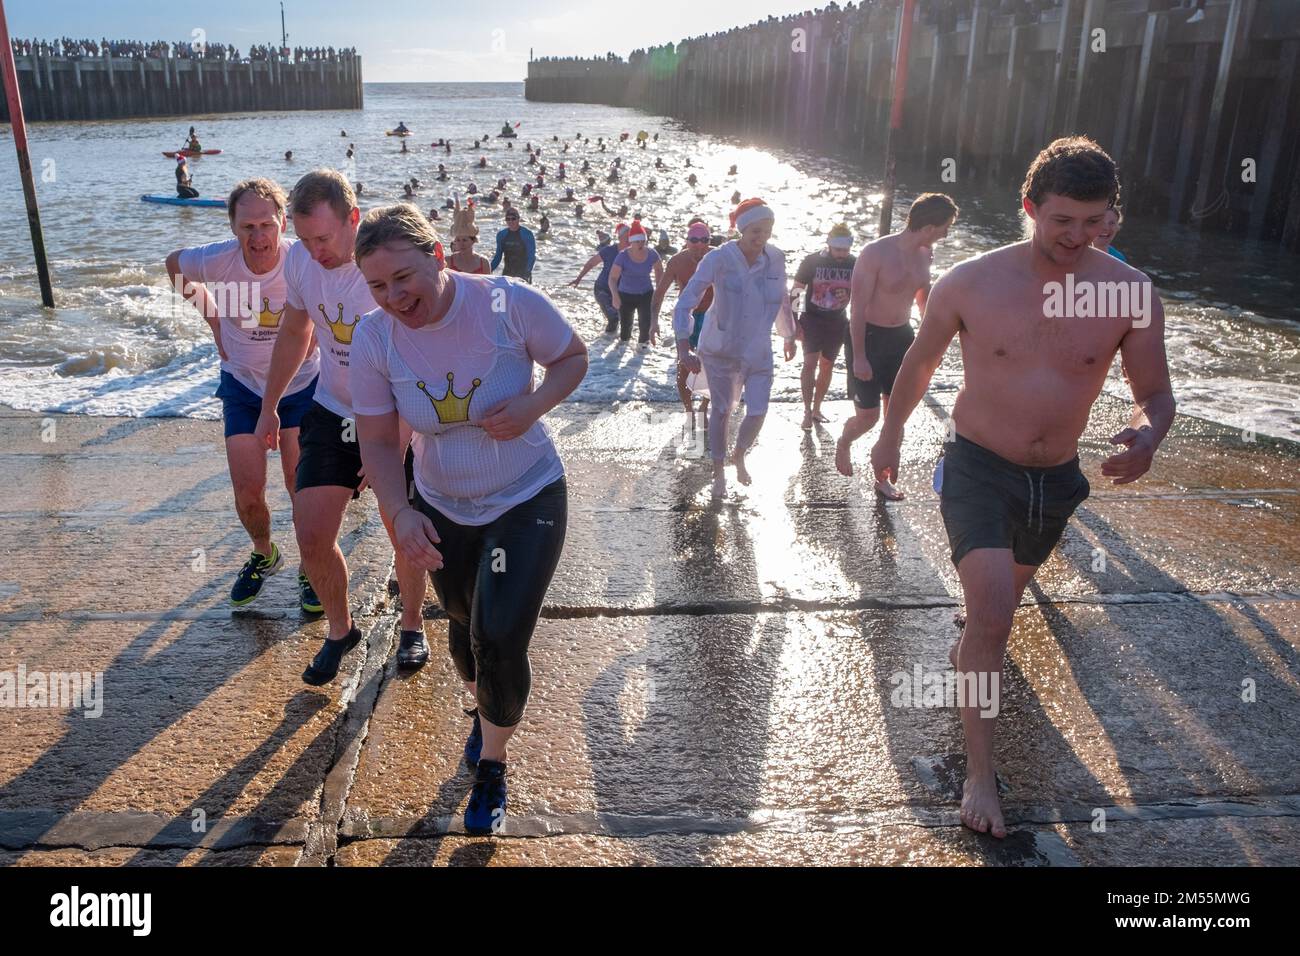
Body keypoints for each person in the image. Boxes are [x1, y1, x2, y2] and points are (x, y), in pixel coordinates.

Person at [869, 137, 1174, 838]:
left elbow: (1155, 393)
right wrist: (890, 435)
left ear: (1108, 217)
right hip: (978, 468)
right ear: (1030, 208)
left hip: (1057, 482)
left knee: (988, 617)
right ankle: (980, 773)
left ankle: (970, 649)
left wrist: (1148, 435)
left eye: (1092, 222)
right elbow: (917, 365)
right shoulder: (971, 282)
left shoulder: (1129, 292)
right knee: (998, 617)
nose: (1077, 237)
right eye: (1061, 220)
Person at [351, 203, 588, 834]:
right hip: (439, 505)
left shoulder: (506, 304)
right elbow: (376, 439)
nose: (394, 297)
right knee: (463, 628)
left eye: (403, 277)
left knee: (500, 635)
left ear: (436, 254)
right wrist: (398, 510)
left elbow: (573, 358)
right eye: (377, 286)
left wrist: (534, 404)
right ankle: (487, 715)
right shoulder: (374, 338)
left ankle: (492, 764)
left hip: (527, 495)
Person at [253, 170, 431, 681]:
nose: (314, 251)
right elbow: (295, 329)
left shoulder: (384, 270)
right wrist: (270, 405)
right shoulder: (301, 262)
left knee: (404, 529)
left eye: (325, 239)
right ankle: (340, 629)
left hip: (400, 413)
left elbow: (421, 353)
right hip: (333, 408)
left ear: (353, 219)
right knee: (310, 533)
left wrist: (391, 450)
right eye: (305, 239)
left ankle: (413, 625)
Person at [166, 178, 321, 607]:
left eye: (266, 225)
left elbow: (332, 303)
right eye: (247, 227)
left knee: (299, 485)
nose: (258, 236)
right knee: (248, 492)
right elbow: (173, 265)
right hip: (242, 384)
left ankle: (311, 566)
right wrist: (214, 320)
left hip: (300, 386)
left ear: (283, 222)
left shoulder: (301, 260)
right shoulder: (218, 261)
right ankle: (263, 553)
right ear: (233, 227)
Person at [673, 199, 796, 498]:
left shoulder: (776, 258)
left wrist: (788, 335)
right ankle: (718, 473)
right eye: (755, 230)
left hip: (758, 350)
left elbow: (781, 298)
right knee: (722, 410)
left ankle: (738, 454)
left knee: (758, 410)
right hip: (719, 350)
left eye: (767, 230)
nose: (761, 236)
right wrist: (683, 346)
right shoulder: (719, 258)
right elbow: (687, 299)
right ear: (742, 230)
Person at [838, 194, 957, 497]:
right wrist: (860, 357)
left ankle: (883, 479)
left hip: (901, 337)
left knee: (896, 416)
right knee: (869, 418)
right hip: (868, 338)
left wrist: (931, 346)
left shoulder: (925, 254)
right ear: (930, 225)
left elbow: (923, 301)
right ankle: (845, 441)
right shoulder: (875, 253)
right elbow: (857, 308)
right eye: (945, 227)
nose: (946, 233)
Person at [790, 224, 856, 431]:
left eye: (845, 250)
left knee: (827, 365)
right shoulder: (812, 261)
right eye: (838, 250)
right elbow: (795, 292)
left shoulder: (855, 263)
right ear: (828, 244)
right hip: (812, 319)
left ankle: (818, 408)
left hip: (838, 321)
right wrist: (793, 322)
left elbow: (864, 293)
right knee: (809, 363)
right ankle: (807, 411)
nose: (841, 254)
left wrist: (850, 295)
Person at [651, 220, 714, 424]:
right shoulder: (677, 262)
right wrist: (653, 322)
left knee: (711, 366)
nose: (699, 244)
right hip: (686, 315)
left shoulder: (717, 258)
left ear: (708, 241)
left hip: (712, 317)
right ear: (686, 241)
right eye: (694, 240)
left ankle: (704, 407)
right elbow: (659, 294)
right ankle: (688, 410)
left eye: (704, 240)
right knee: (683, 366)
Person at [609, 222, 664, 346]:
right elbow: (612, 278)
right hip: (625, 294)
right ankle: (618, 357)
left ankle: (641, 355)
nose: (640, 243)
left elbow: (659, 271)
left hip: (646, 294)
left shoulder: (652, 254)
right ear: (631, 242)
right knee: (625, 329)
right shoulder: (622, 256)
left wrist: (659, 291)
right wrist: (615, 296)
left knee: (645, 326)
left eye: (642, 240)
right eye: (637, 241)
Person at [491, 210, 536, 283]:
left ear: (518, 219)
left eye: (513, 219)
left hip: (523, 273)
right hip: (507, 272)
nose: (510, 221)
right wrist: (489, 269)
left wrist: (527, 273)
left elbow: (531, 256)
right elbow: (498, 256)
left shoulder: (527, 234)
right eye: (508, 219)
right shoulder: (501, 235)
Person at [447, 200, 491, 274]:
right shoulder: (448, 261)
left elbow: (489, 285)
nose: (461, 244)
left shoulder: (483, 262)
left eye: (464, 240)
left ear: (473, 241)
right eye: (458, 240)